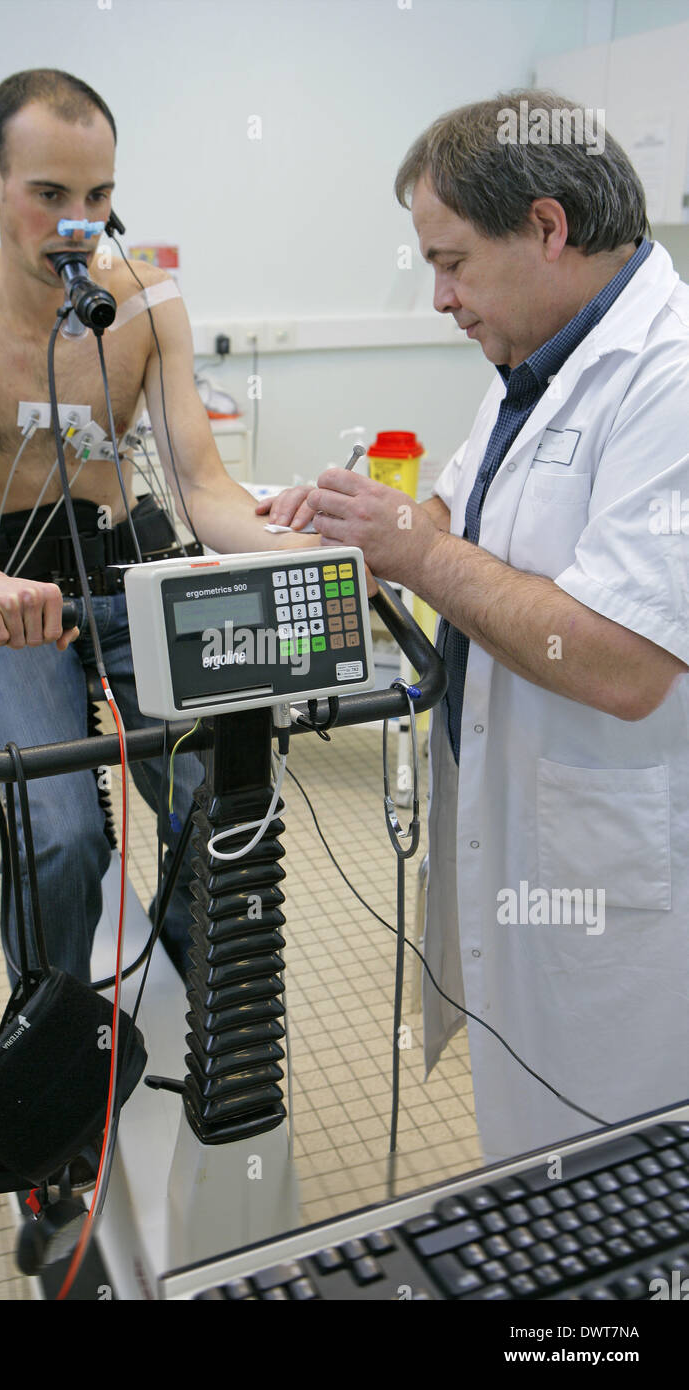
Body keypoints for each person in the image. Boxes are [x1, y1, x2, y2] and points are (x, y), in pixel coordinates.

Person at [259, 91, 689, 1162]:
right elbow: (454, 516)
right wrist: (352, 523)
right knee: (535, 1153)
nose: (438, 298)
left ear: (546, 228)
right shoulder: (533, 364)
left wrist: (413, 550)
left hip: (618, 874)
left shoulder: (665, 384)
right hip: (528, 836)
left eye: (450, 262)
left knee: (617, 1181)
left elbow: (627, 661)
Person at [0, 68, 313, 987]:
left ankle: (189, 992)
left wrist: (309, 551)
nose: (78, 223)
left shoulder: (149, 304)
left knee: (224, 806)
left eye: (99, 196)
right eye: (49, 196)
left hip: (132, 564)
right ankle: (55, 1040)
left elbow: (203, 489)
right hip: (5, 585)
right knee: (65, 834)